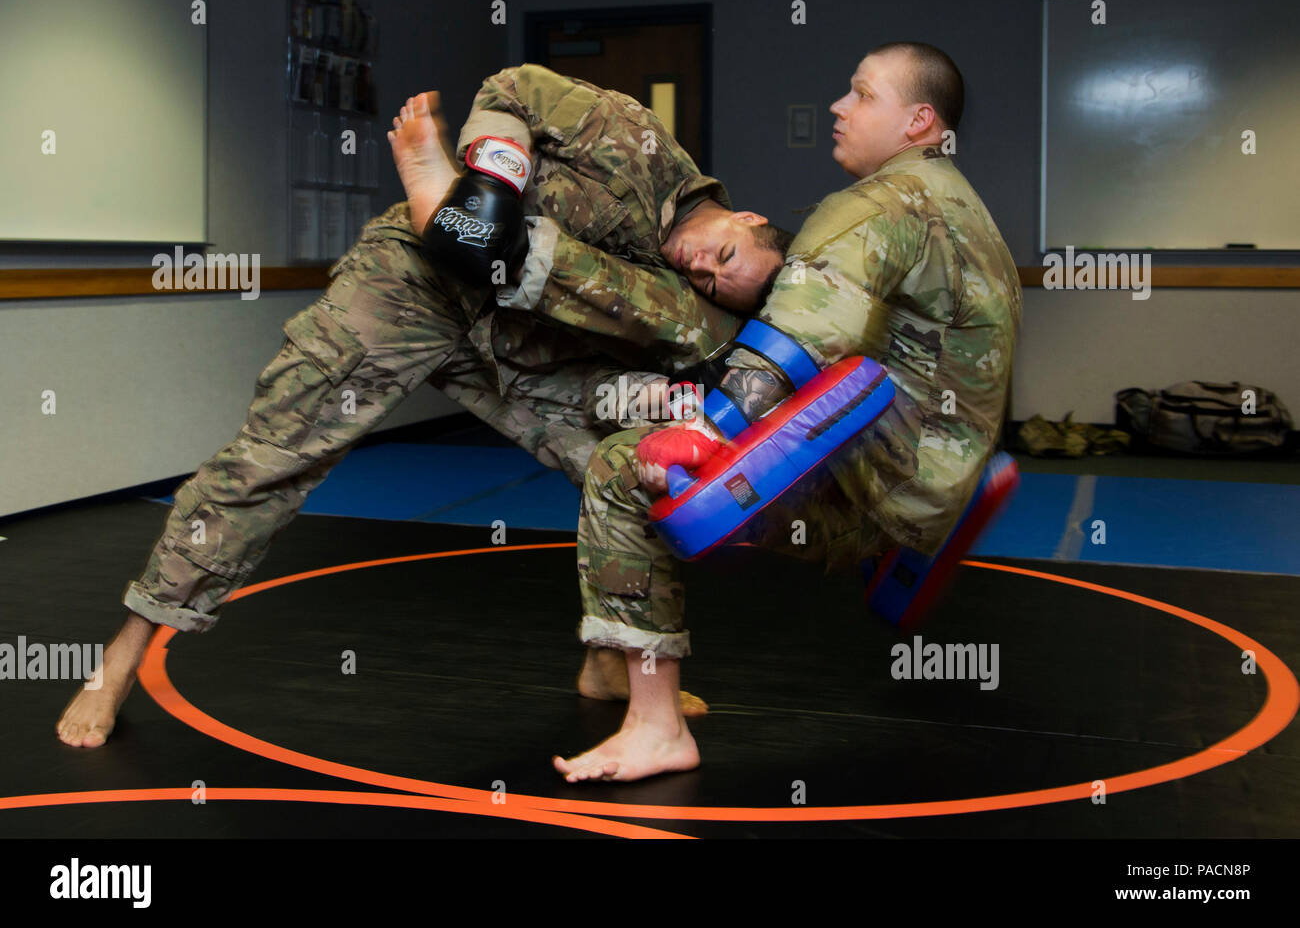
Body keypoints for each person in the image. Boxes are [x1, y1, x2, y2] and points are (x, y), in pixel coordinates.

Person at [57, 64, 793, 747]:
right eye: (723, 256)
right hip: (410, 287)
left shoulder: (684, 301)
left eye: (714, 282)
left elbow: (652, 356)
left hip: (526, 344)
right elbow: (515, 89)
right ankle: (117, 661)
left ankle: (611, 658)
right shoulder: (637, 143)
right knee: (271, 457)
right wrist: (496, 170)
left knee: (629, 471)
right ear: (745, 215)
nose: (701, 268)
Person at [555, 42, 1023, 782]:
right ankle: (611, 666)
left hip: (879, 485)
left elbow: (798, 340)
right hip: (942, 471)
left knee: (625, 467)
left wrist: (700, 433)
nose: (839, 107)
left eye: (863, 94)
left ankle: (656, 727)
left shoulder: (880, 205)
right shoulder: (960, 203)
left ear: (918, 120)